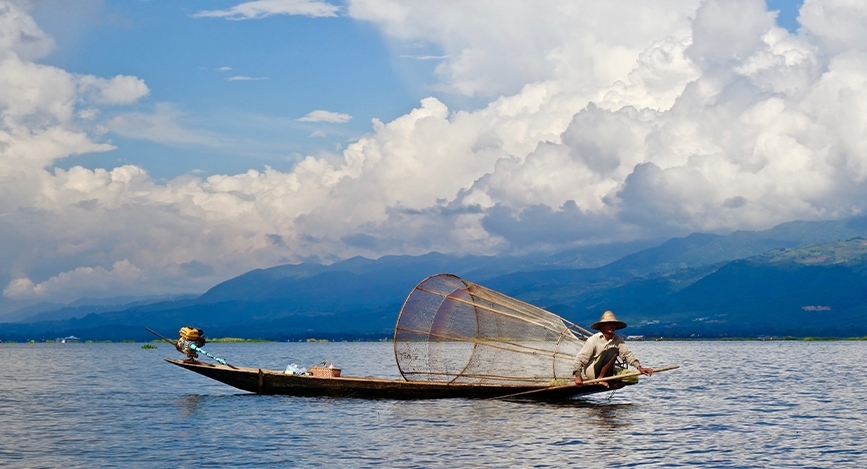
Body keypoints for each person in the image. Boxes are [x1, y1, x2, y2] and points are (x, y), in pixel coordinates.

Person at [573, 310, 653, 387]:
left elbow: (626, 354)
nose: (612, 326)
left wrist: (639, 368)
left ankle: (607, 379)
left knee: (633, 377)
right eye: (608, 324)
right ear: (602, 326)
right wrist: (578, 376)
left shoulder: (617, 339)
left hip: (608, 371)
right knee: (613, 351)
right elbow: (581, 358)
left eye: (613, 324)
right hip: (593, 371)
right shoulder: (593, 339)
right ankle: (600, 379)